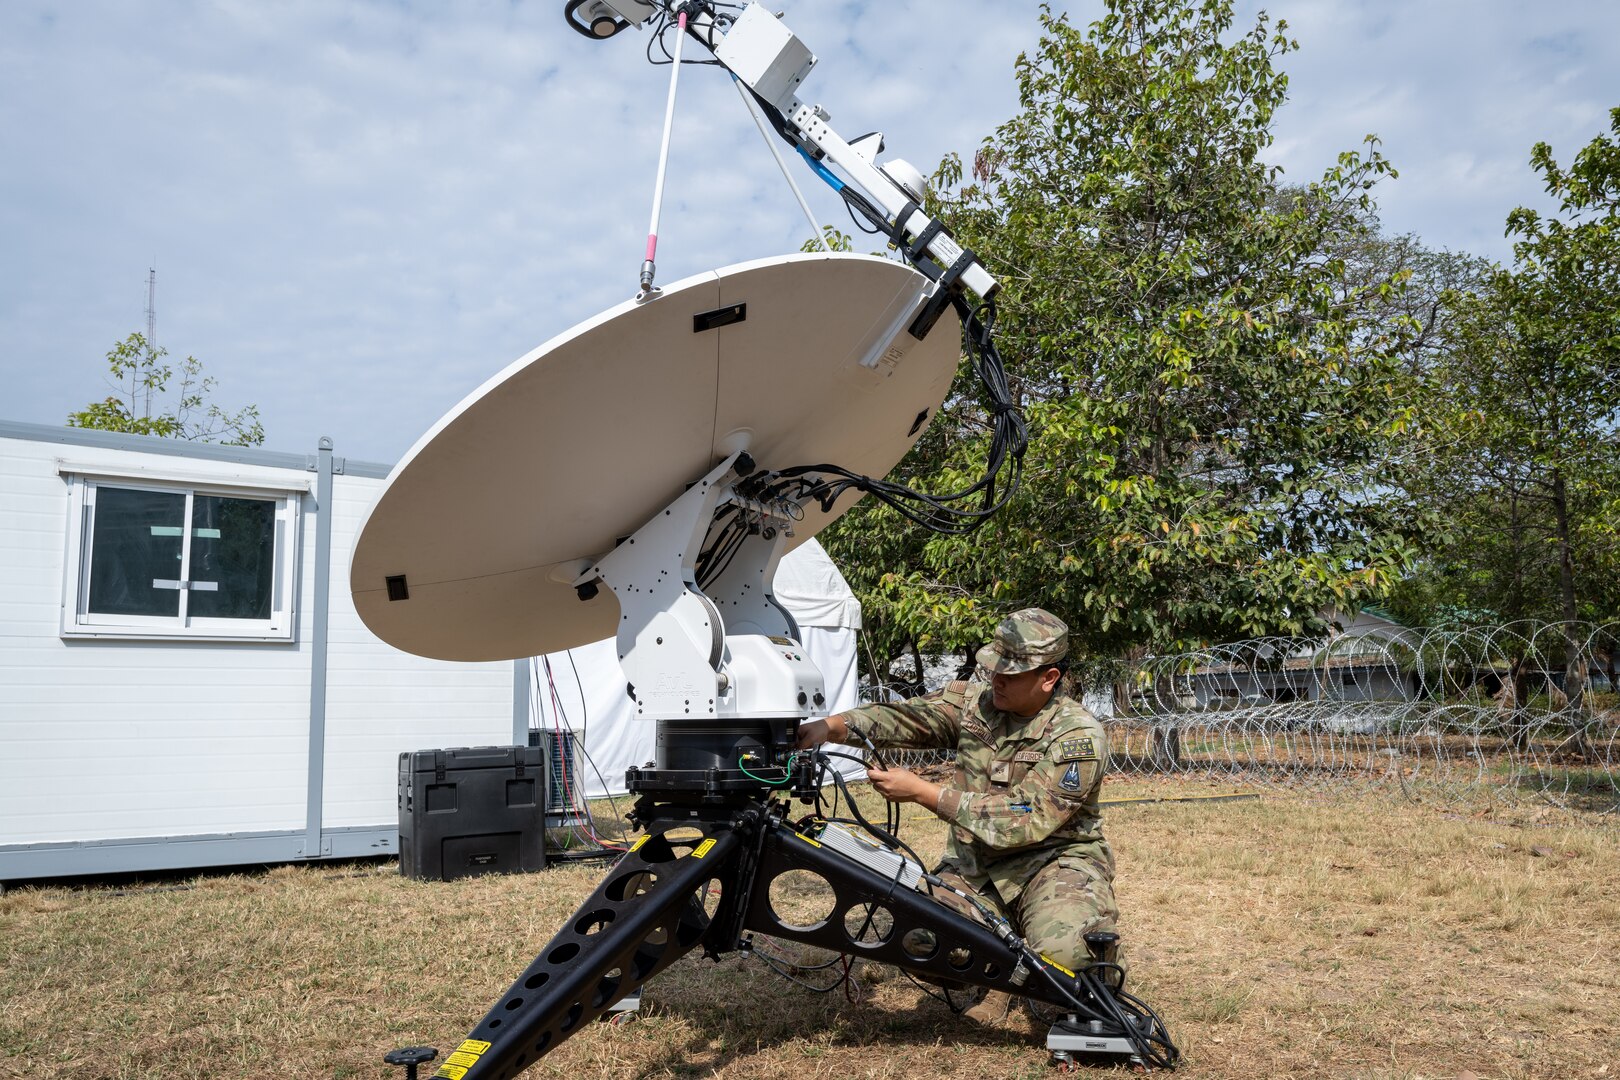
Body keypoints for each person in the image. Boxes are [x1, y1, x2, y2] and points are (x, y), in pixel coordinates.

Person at [795, 607, 1121, 1024]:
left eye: (1011, 673)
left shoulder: (1077, 734)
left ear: (1049, 678)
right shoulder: (977, 702)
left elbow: (1026, 817)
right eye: (994, 668)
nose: (996, 679)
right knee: (915, 938)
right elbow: (910, 717)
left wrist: (924, 793)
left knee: (1069, 958)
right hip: (975, 867)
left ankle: (1066, 946)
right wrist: (835, 726)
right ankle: (998, 978)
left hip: (1051, 864)